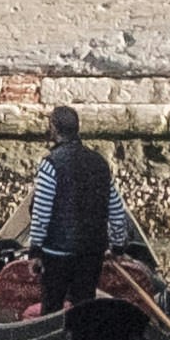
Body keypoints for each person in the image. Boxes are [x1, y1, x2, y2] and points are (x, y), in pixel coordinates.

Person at [27, 101, 118, 318]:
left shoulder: (50, 164)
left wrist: (35, 251)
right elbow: (115, 208)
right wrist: (118, 246)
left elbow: (41, 213)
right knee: (84, 305)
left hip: (57, 253)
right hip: (92, 252)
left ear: (53, 129)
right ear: (77, 129)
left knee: (51, 307)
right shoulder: (100, 162)